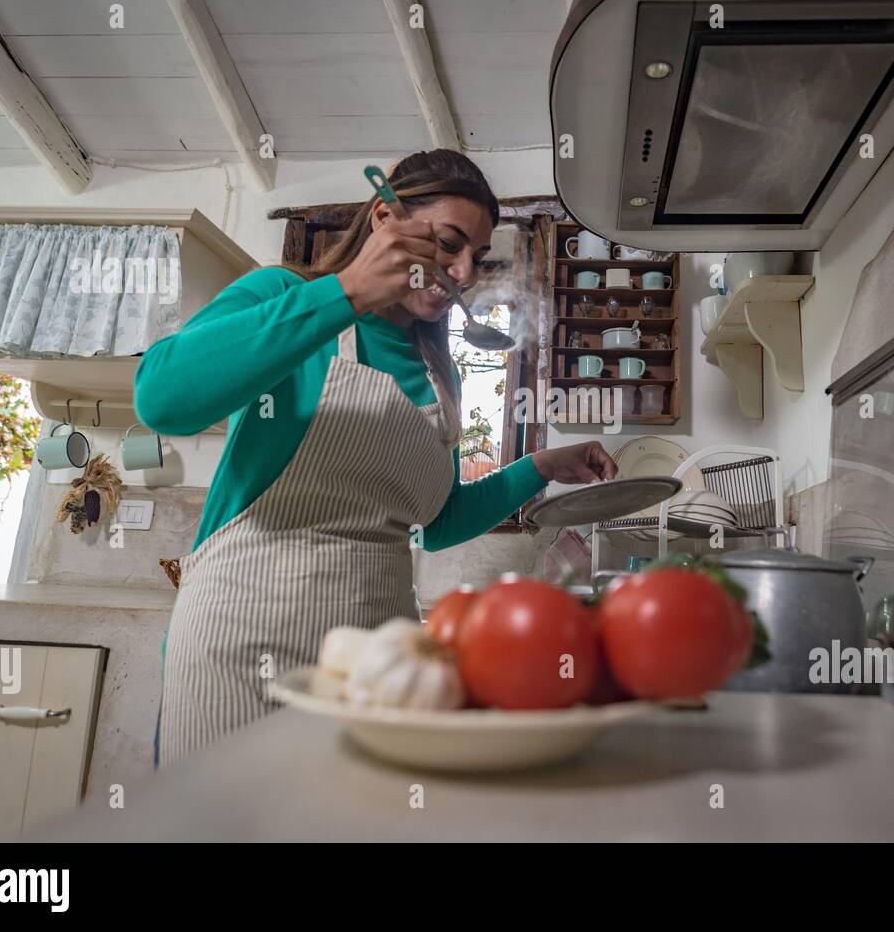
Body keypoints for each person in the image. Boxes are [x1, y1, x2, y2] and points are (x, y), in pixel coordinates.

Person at [135, 149, 616, 763]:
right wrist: (348, 293)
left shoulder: (441, 374)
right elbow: (162, 397)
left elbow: (437, 524)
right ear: (385, 219)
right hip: (243, 639)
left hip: (377, 660)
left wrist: (540, 467)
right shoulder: (284, 295)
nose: (464, 271)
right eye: (449, 243)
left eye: (477, 256)